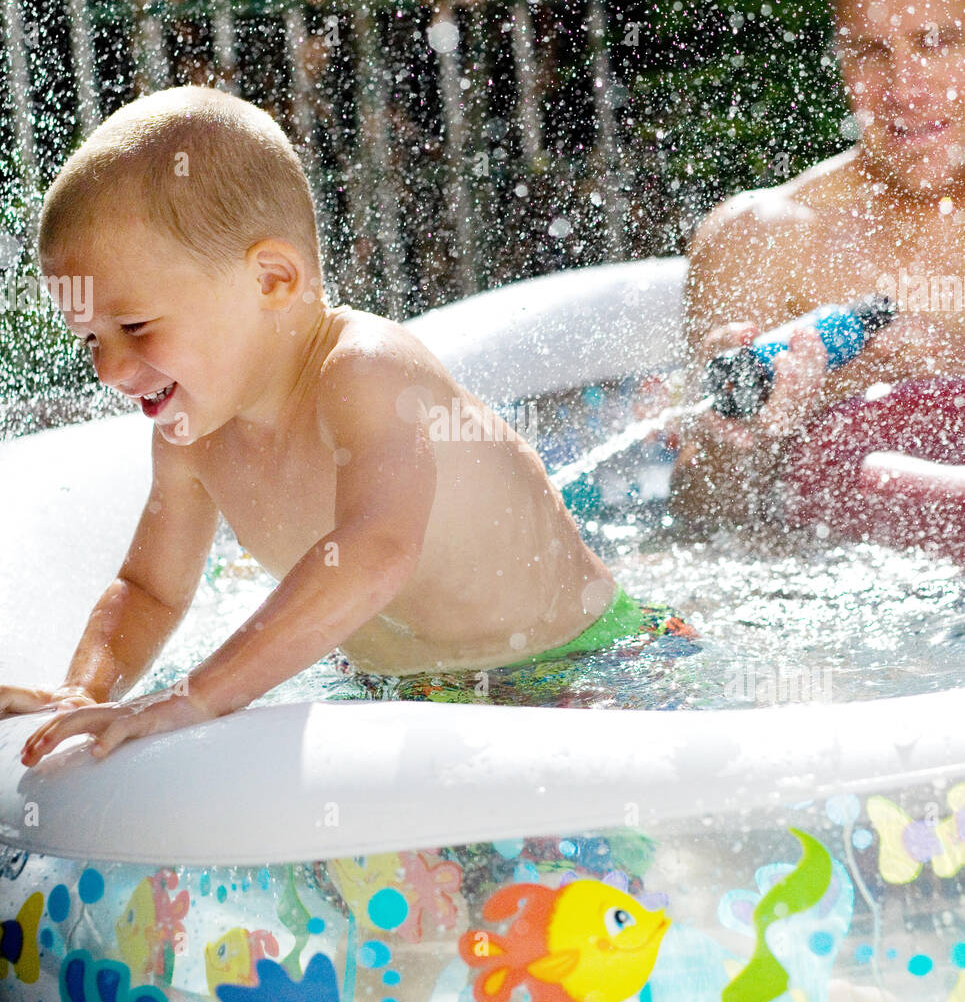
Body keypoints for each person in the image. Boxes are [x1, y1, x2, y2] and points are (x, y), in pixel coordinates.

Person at [1, 86, 694, 765]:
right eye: (90, 339)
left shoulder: (365, 372)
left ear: (271, 280)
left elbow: (376, 547)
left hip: (584, 672)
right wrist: (83, 689)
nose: (110, 368)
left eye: (134, 326)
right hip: (405, 697)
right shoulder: (192, 437)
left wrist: (199, 696)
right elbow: (149, 590)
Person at [669, 0, 965, 538]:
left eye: (935, 41)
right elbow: (703, 528)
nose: (902, 90)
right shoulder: (762, 240)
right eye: (869, 52)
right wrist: (735, 442)